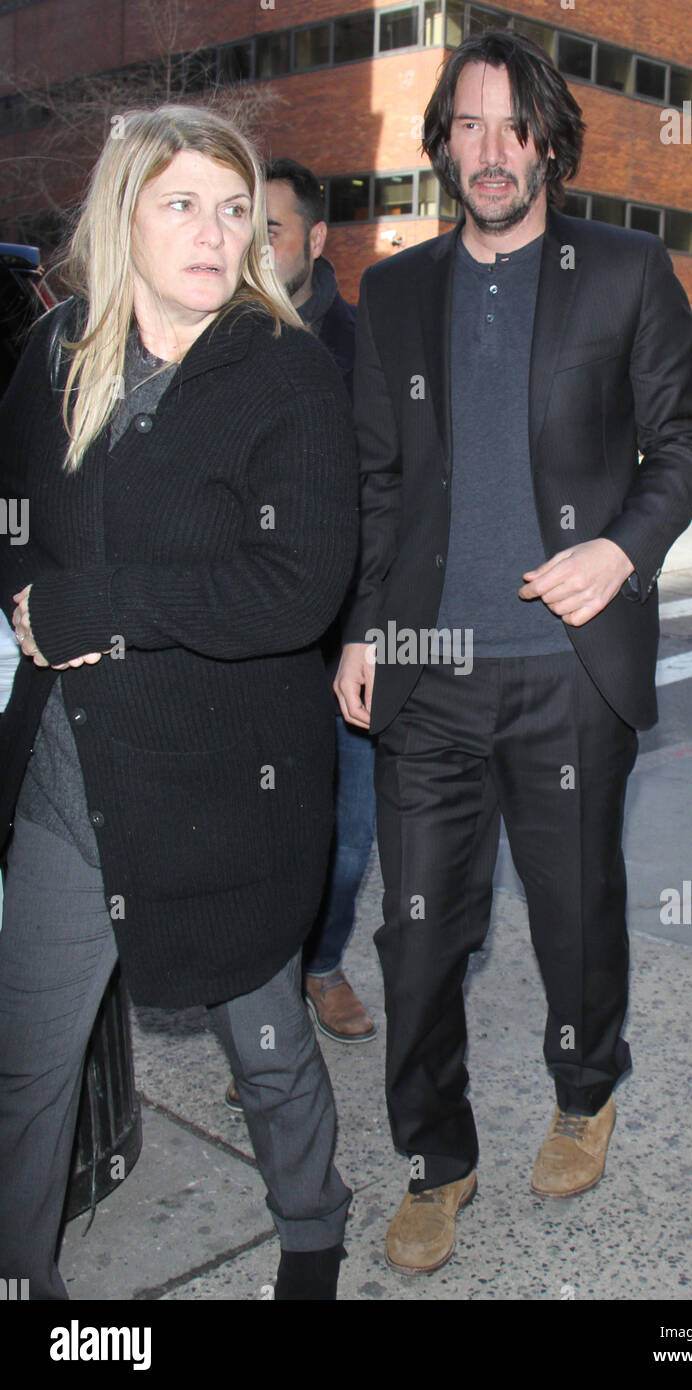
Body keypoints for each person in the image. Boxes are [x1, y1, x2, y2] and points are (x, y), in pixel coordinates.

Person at [334, 29, 692, 1276]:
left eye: (510, 126)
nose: (488, 152)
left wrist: (620, 552)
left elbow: (681, 446)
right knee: (419, 932)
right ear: (442, 145)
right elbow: (378, 483)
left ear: (547, 138)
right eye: (466, 127)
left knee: (575, 914)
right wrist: (360, 629)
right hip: (431, 674)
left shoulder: (625, 270)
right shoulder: (392, 292)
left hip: (567, 668)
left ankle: (583, 1084)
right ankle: (437, 1160)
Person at [0, 105, 358, 1301]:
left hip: (226, 785)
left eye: (232, 209)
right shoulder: (53, 358)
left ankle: (311, 1229)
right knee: (28, 1061)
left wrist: (99, 607)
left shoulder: (285, 370)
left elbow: (294, 585)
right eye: (181, 204)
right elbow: (8, 508)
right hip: (74, 774)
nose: (213, 232)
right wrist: (21, 592)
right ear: (124, 215)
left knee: (263, 1045)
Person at [223, 162, 373, 1126]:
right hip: (249, 646)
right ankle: (260, 999)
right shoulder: (223, 339)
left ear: (314, 241)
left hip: (348, 643)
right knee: (257, 834)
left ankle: (322, 963)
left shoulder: (362, 346)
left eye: (269, 228)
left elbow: (388, 497)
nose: (252, 247)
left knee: (349, 840)